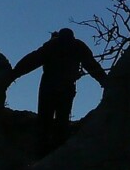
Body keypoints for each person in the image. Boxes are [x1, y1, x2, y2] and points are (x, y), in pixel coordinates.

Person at [7, 27, 108, 155]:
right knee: (60, 120)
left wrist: (14, 74)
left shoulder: (52, 46)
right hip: (64, 86)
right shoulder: (77, 46)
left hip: (50, 86)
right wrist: (104, 81)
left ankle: (43, 152)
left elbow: (31, 60)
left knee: (46, 120)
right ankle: (57, 151)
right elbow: (92, 65)